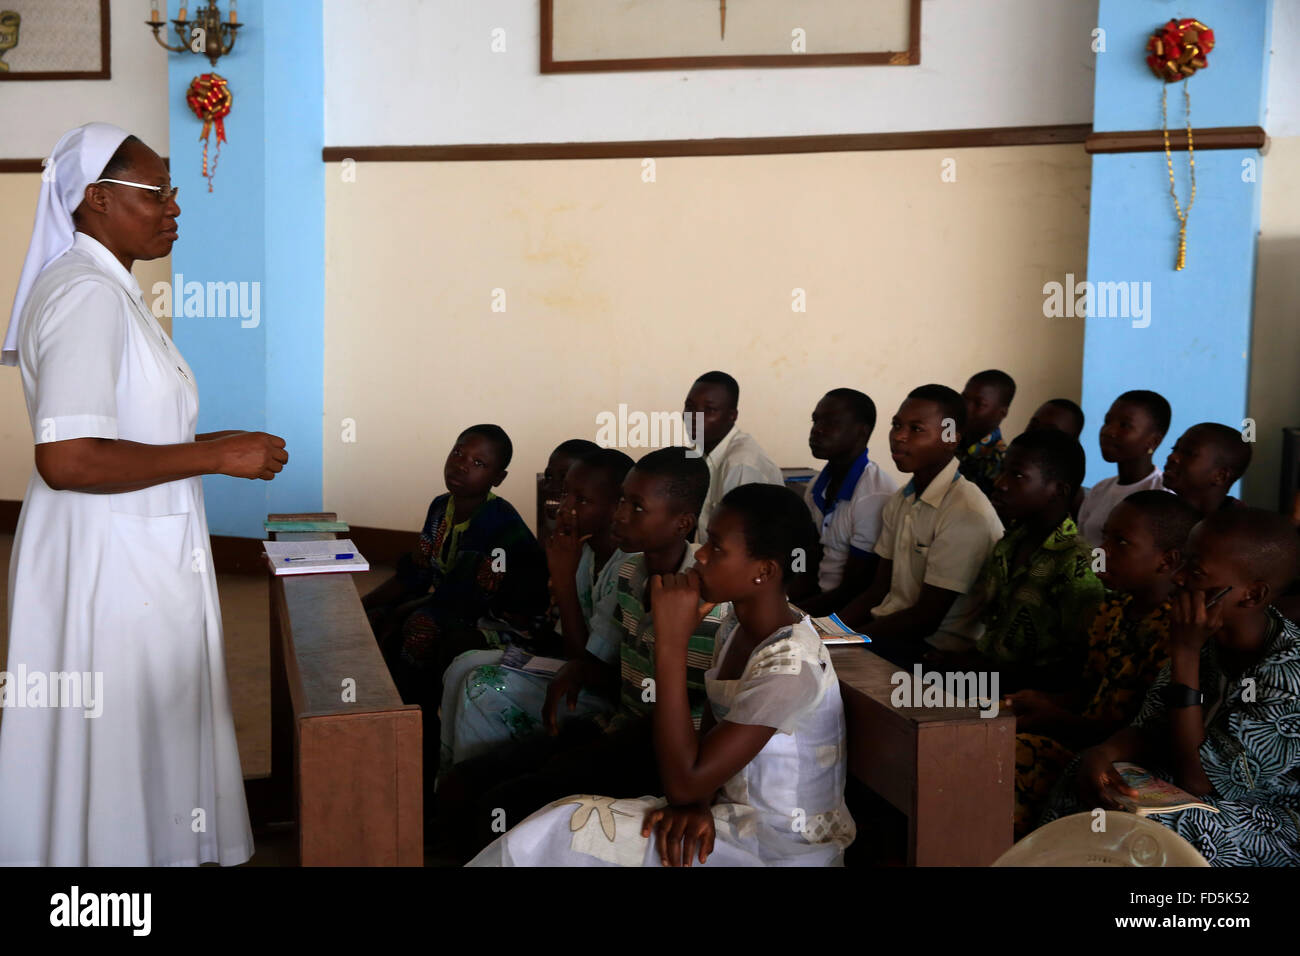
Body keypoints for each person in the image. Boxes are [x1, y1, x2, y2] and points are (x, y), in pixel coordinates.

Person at [0, 124, 289, 865]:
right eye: (154, 194)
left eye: (173, 194)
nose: (172, 209)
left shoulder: (111, 292)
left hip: (133, 550)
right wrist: (215, 454)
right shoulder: (84, 296)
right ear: (96, 199)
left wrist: (209, 444)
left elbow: (125, 427)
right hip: (106, 562)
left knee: (142, 731)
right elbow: (67, 458)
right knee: (119, 731)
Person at [469, 483, 855, 867]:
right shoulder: (735, 628)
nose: (699, 556)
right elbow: (702, 761)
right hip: (723, 816)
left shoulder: (789, 666)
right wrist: (695, 804)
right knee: (565, 821)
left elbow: (684, 781)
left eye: (716, 548)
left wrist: (671, 642)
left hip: (779, 847)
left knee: (571, 826)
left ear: (764, 571)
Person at [433, 447, 728, 861]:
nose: (620, 514)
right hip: (614, 726)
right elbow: (603, 664)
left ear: (682, 522)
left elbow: (706, 723)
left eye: (636, 506)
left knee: (502, 804)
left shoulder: (714, 607)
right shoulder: (630, 572)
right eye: (622, 500)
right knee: (465, 782)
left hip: (661, 755)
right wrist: (578, 670)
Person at [1041, 508, 1300, 866]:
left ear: (1252, 595)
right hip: (1196, 784)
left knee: (1167, 825)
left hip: (1276, 819)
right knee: (1088, 779)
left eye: (1195, 572)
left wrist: (1185, 653)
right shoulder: (1208, 636)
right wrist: (1102, 753)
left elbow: (1200, 782)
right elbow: (1149, 728)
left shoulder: (1288, 672)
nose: (1178, 579)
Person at [1004, 490, 1199, 836]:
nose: (1101, 552)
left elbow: (1143, 731)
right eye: (1105, 536)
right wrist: (1042, 702)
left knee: (1010, 758)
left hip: (1128, 764)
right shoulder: (1111, 610)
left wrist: (1056, 720)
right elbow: (1089, 691)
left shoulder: (1176, 632)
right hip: (1082, 740)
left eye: (1121, 542)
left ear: (1167, 562)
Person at [361, 424, 550, 776]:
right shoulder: (441, 508)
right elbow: (417, 572)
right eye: (458, 453)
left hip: (508, 619)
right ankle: (388, 714)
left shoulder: (498, 523)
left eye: (479, 462)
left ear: (499, 477)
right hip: (456, 604)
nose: (462, 465)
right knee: (378, 617)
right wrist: (366, 603)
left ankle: (418, 724)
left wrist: (405, 609)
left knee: (419, 627)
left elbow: (467, 596)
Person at [436, 448, 632, 782]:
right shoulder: (583, 551)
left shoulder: (625, 566)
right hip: (575, 668)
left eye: (582, 500)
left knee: (481, 686)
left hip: (604, 695)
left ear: (618, 507)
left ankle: (473, 787)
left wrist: (564, 581)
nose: (566, 506)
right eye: (567, 493)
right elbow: (561, 644)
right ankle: (450, 778)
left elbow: (582, 661)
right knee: (461, 666)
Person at [839, 385, 1003, 666]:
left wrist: (846, 642)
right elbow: (878, 591)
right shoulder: (901, 500)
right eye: (896, 425)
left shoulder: (966, 512)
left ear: (951, 438)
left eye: (916, 429)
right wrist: (828, 631)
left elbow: (926, 619)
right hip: (890, 632)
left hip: (932, 653)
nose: (899, 437)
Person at [970, 429, 1104, 693]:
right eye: (1003, 470)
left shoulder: (1078, 565)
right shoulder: (1008, 544)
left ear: (1058, 491)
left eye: (1017, 475)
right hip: (987, 682)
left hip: (1033, 699)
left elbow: (1077, 665)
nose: (1000, 483)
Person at [799, 388, 897, 616]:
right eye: (815, 420)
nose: (817, 430)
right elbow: (807, 555)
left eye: (831, 423)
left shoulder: (874, 496)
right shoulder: (817, 486)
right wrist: (786, 594)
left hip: (847, 612)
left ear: (862, 433)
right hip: (817, 599)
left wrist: (798, 613)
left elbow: (856, 588)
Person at [683, 370, 782, 543]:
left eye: (709, 410)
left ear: (732, 416)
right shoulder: (699, 453)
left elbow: (738, 543)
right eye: (690, 407)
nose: (694, 418)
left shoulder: (741, 464)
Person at [1076, 389, 1171, 548]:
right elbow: (1083, 547)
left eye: (1124, 425)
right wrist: (1094, 570)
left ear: (1153, 441)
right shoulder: (1099, 490)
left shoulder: (1162, 496)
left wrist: (1098, 570)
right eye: (1107, 421)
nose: (1108, 431)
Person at [1162, 422, 1250, 517]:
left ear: (1220, 476)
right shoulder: (1159, 511)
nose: (1172, 457)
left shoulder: (1240, 527)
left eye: (1189, 453)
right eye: (1174, 449)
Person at [957, 369, 1016, 497]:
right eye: (964, 398)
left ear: (1002, 412)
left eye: (979, 404)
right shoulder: (951, 440)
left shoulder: (1000, 462)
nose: (965, 407)